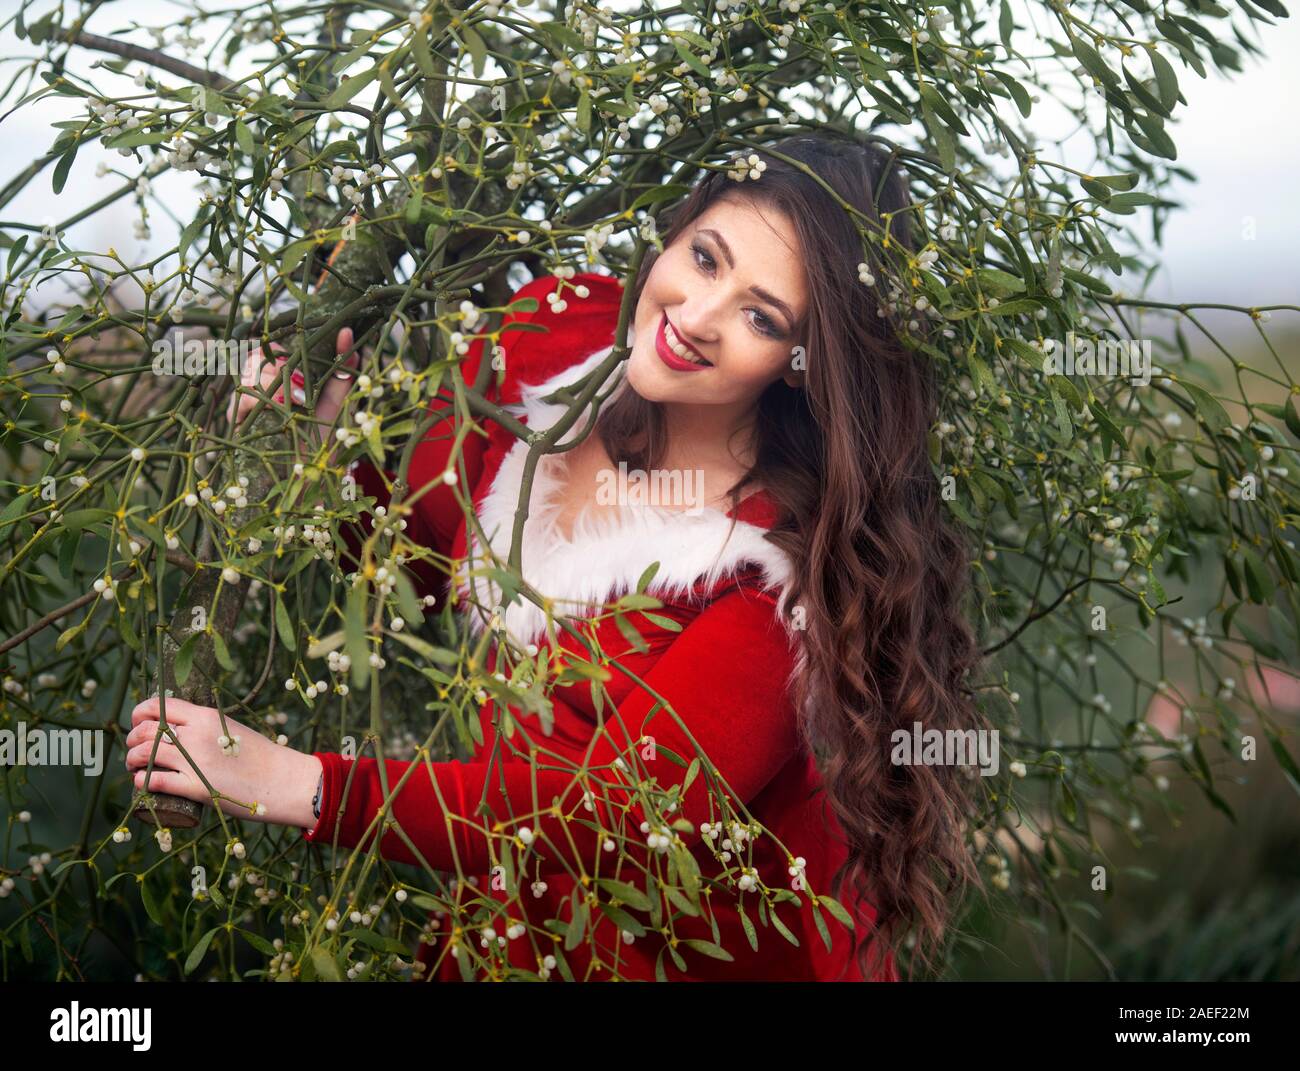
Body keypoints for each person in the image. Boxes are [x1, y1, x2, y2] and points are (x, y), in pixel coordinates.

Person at [126, 132, 985, 982]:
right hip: (511, 930)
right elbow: (416, 569)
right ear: (677, 229)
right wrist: (316, 444)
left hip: (687, 958)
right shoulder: (547, 336)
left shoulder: (776, 585)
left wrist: (302, 783)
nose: (697, 316)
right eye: (706, 257)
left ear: (801, 363)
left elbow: (611, 811)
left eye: (762, 317)